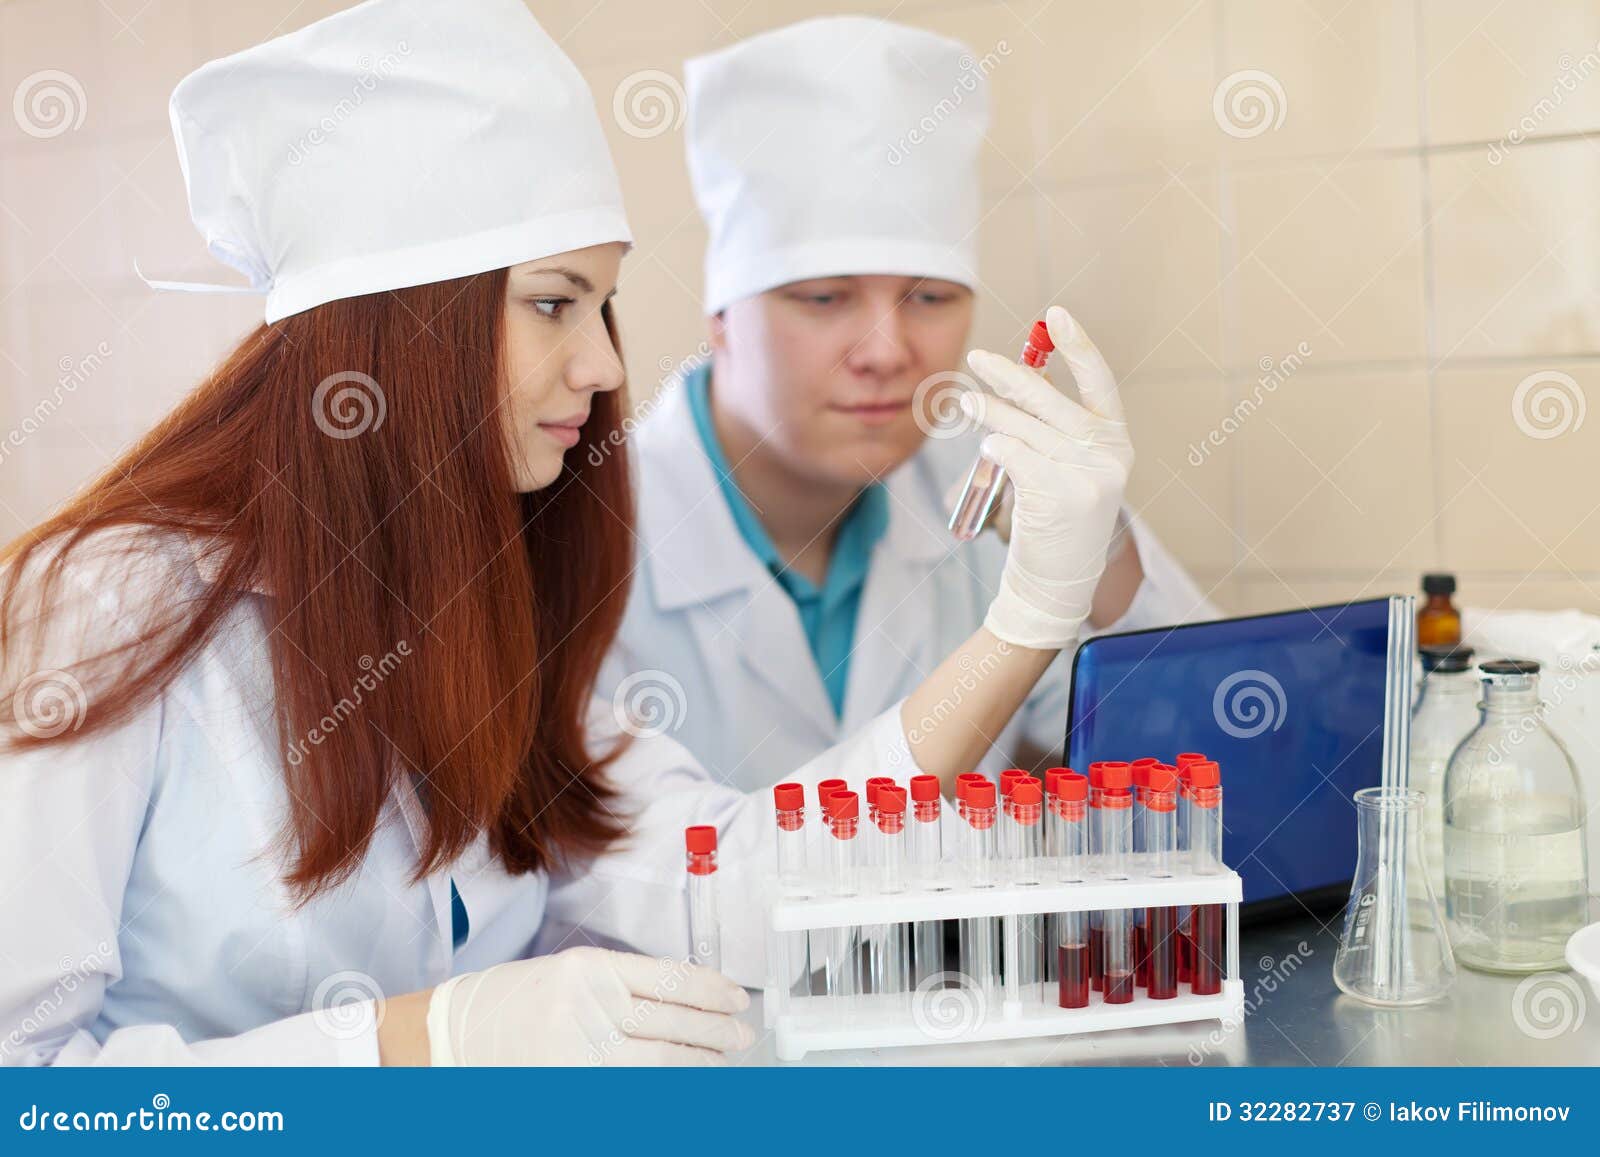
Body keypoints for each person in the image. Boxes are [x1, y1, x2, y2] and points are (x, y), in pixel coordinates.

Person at [0, 1, 1131, 1066]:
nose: (600, 364)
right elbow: (31, 1087)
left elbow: (740, 892)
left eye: (602, 305)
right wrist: (413, 1040)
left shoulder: (488, 600)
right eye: (553, 302)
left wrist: (1027, 617)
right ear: (401, 326)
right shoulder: (102, 602)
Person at [599, 17, 1217, 791]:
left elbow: (1217, 742)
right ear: (721, 316)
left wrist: (1102, 552)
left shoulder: (987, 485)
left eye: (929, 297)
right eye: (824, 298)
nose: (887, 352)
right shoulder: (591, 528)